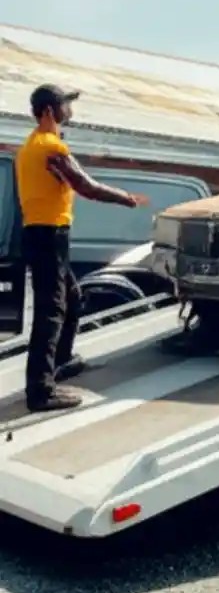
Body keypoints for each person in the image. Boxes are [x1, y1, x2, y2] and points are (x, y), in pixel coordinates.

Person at [16, 85, 148, 412]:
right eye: (65, 105)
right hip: (49, 235)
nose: (70, 111)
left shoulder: (30, 146)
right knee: (50, 312)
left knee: (71, 299)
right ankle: (40, 390)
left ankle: (62, 360)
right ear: (49, 111)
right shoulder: (50, 147)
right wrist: (126, 198)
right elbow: (84, 185)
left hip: (42, 234)